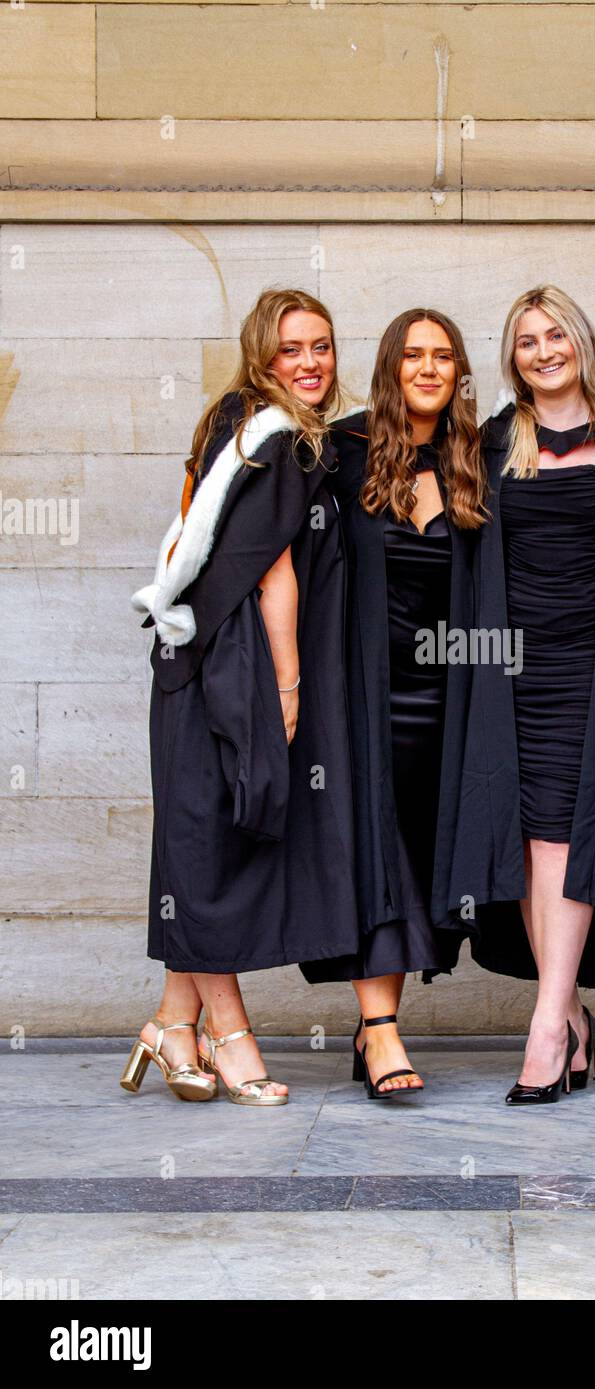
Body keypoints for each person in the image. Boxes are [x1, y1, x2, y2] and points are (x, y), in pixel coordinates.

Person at [124, 289, 357, 1106]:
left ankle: (170, 1024)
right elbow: (273, 570)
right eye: (291, 348)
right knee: (209, 850)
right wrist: (288, 686)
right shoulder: (271, 435)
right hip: (229, 668)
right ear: (262, 356)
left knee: (204, 842)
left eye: (321, 346)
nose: (310, 363)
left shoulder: (238, 425)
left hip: (195, 659)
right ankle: (229, 1034)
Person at [450, 285, 595, 1105]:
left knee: (572, 834)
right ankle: (562, 1016)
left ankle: (548, 1026)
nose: (543, 350)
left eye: (555, 334)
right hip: (514, 674)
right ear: (512, 357)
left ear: (580, 342)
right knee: (536, 842)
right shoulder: (496, 440)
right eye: (526, 340)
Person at [299, 309, 486, 1099]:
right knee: (374, 852)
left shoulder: (479, 457)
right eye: (412, 355)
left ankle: (376, 1026)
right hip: (363, 695)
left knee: (418, 857)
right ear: (389, 366)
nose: (428, 368)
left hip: (452, 699)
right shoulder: (338, 451)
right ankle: (380, 1032)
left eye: (443, 356)